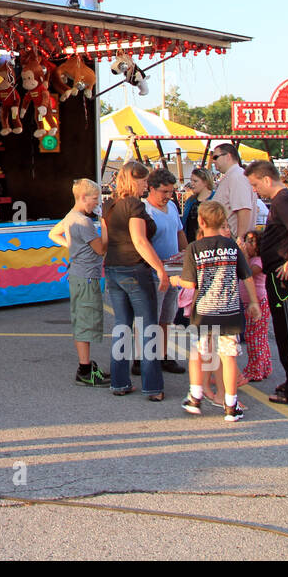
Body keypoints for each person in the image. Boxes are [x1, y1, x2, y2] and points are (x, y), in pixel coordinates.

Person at [173, 200, 260, 421]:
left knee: (198, 353)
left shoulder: (194, 248)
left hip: (203, 311)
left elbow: (190, 283)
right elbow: (247, 275)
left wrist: (174, 280)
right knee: (228, 357)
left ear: (201, 222)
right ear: (223, 222)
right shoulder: (231, 246)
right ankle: (231, 404)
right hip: (229, 310)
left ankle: (195, 396)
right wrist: (253, 302)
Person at [245, 160, 288, 405]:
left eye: (255, 184)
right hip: (283, 277)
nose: (255, 190)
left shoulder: (283, 200)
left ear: (266, 179)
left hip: (286, 280)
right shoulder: (285, 199)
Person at [103, 160, 168, 400]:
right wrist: (160, 269)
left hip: (113, 267)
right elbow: (139, 240)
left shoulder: (108, 205)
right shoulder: (134, 205)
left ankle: (119, 382)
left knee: (122, 326)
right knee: (148, 327)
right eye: (143, 181)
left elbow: (106, 241)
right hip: (135, 270)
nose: (145, 186)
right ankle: (152, 387)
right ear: (135, 179)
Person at [48, 178, 109, 387]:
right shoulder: (84, 222)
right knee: (86, 319)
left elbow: (53, 233)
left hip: (78, 273)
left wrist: (71, 247)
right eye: (94, 199)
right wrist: (106, 225)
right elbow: (101, 248)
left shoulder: (70, 217)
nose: (96, 203)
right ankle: (84, 368)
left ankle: (87, 365)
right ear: (83, 198)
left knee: (83, 317)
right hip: (87, 276)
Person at [142, 168, 188, 374]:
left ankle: (163, 355)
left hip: (173, 271)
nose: (168, 196)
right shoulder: (145, 211)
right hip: (153, 272)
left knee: (167, 316)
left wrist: (186, 254)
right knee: (150, 316)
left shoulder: (170, 207)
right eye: (164, 192)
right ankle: (144, 356)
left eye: (171, 192)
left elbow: (179, 233)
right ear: (151, 189)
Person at [237, 230, 272, 384]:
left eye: (252, 242)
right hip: (249, 303)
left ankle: (256, 369)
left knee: (255, 337)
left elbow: (247, 274)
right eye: (247, 241)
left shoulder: (258, 261)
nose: (248, 245)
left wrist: (243, 255)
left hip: (257, 302)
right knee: (258, 336)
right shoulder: (251, 259)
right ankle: (264, 366)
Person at [211, 144, 255, 241]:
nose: (213, 161)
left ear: (228, 156)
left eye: (215, 157)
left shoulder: (237, 176)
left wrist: (240, 239)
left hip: (232, 240)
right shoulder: (233, 176)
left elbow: (244, 209)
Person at [181, 168, 214, 245]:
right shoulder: (190, 201)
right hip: (191, 242)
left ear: (205, 182)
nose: (192, 184)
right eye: (191, 181)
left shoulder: (215, 198)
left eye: (195, 181)